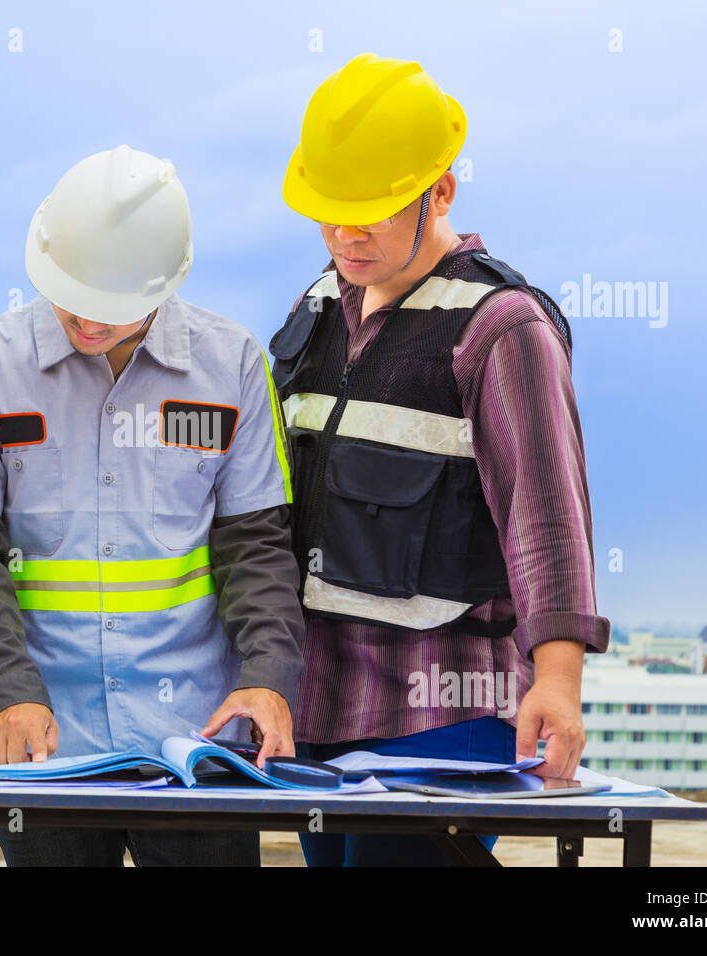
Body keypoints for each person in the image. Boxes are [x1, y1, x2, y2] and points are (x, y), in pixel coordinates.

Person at [0, 145, 305, 867]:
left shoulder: (235, 367)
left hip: (200, 748)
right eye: (75, 301)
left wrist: (267, 677)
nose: (88, 324)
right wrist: (6, 689)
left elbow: (258, 547)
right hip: (38, 741)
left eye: (113, 310)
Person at [272, 55, 610, 866]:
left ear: (442, 192)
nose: (347, 236)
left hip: (441, 717)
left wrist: (558, 683)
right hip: (318, 712)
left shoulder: (502, 329)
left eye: (375, 214)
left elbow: (547, 517)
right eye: (330, 213)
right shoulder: (316, 307)